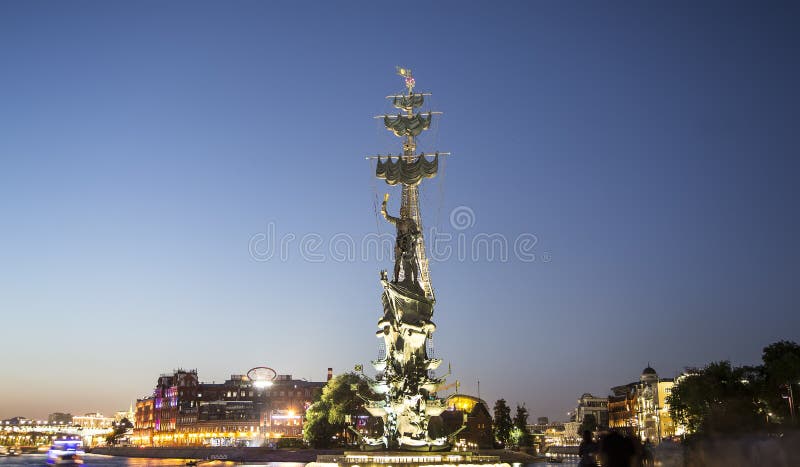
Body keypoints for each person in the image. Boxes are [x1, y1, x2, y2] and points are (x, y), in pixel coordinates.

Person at [381, 193, 420, 284]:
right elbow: (386, 216)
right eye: (401, 211)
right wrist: (384, 203)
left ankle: (414, 281)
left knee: (410, 260)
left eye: (404, 211)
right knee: (397, 262)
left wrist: (413, 237)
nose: (402, 212)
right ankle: (396, 280)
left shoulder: (410, 221)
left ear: (406, 212)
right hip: (399, 243)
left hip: (408, 242)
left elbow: (417, 232)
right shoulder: (397, 221)